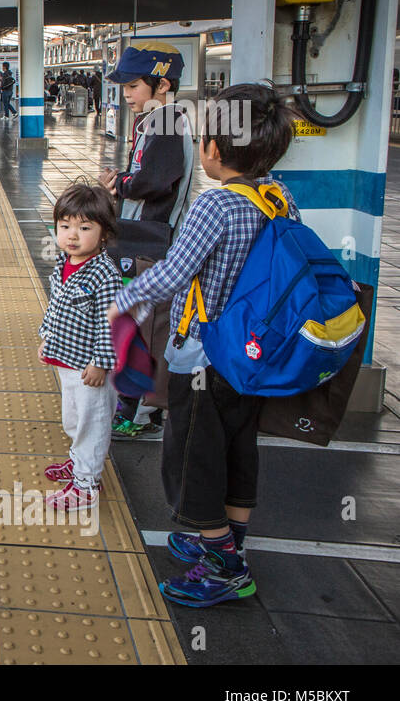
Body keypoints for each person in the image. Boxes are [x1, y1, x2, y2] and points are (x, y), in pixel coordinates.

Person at [108, 82, 297, 607]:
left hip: (206, 357)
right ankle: (229, 537)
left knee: (191, 456)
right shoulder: (278, 196)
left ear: (214, 149)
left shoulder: (215, 206)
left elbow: (172, 273)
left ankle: (224, 564)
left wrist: (123, 302)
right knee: (238, 448)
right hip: (252, 356)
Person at [97, 40, 194, 440]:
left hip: (152, 245)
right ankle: (131, 407)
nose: (127, 96)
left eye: (133, 86)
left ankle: (140, 415)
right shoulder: (158, 121)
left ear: (163, 85)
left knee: (146, 329)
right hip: (142, 239)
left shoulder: (168, 122)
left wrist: (119, 184)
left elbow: (154, 182)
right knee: (135, 325)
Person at [38, 182, 122, 511]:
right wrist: (47, 336)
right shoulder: (65, 263)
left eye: (84, 227)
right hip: (67, 360)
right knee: (73, 419)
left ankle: (86, 485)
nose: (72, 235)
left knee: (93, 423)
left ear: (104, 233)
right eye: (65, 226)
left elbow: (111, 323)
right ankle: (77, 464)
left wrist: (101, 363)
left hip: (91, 368)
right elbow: (56, 307)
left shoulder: (105, 274)